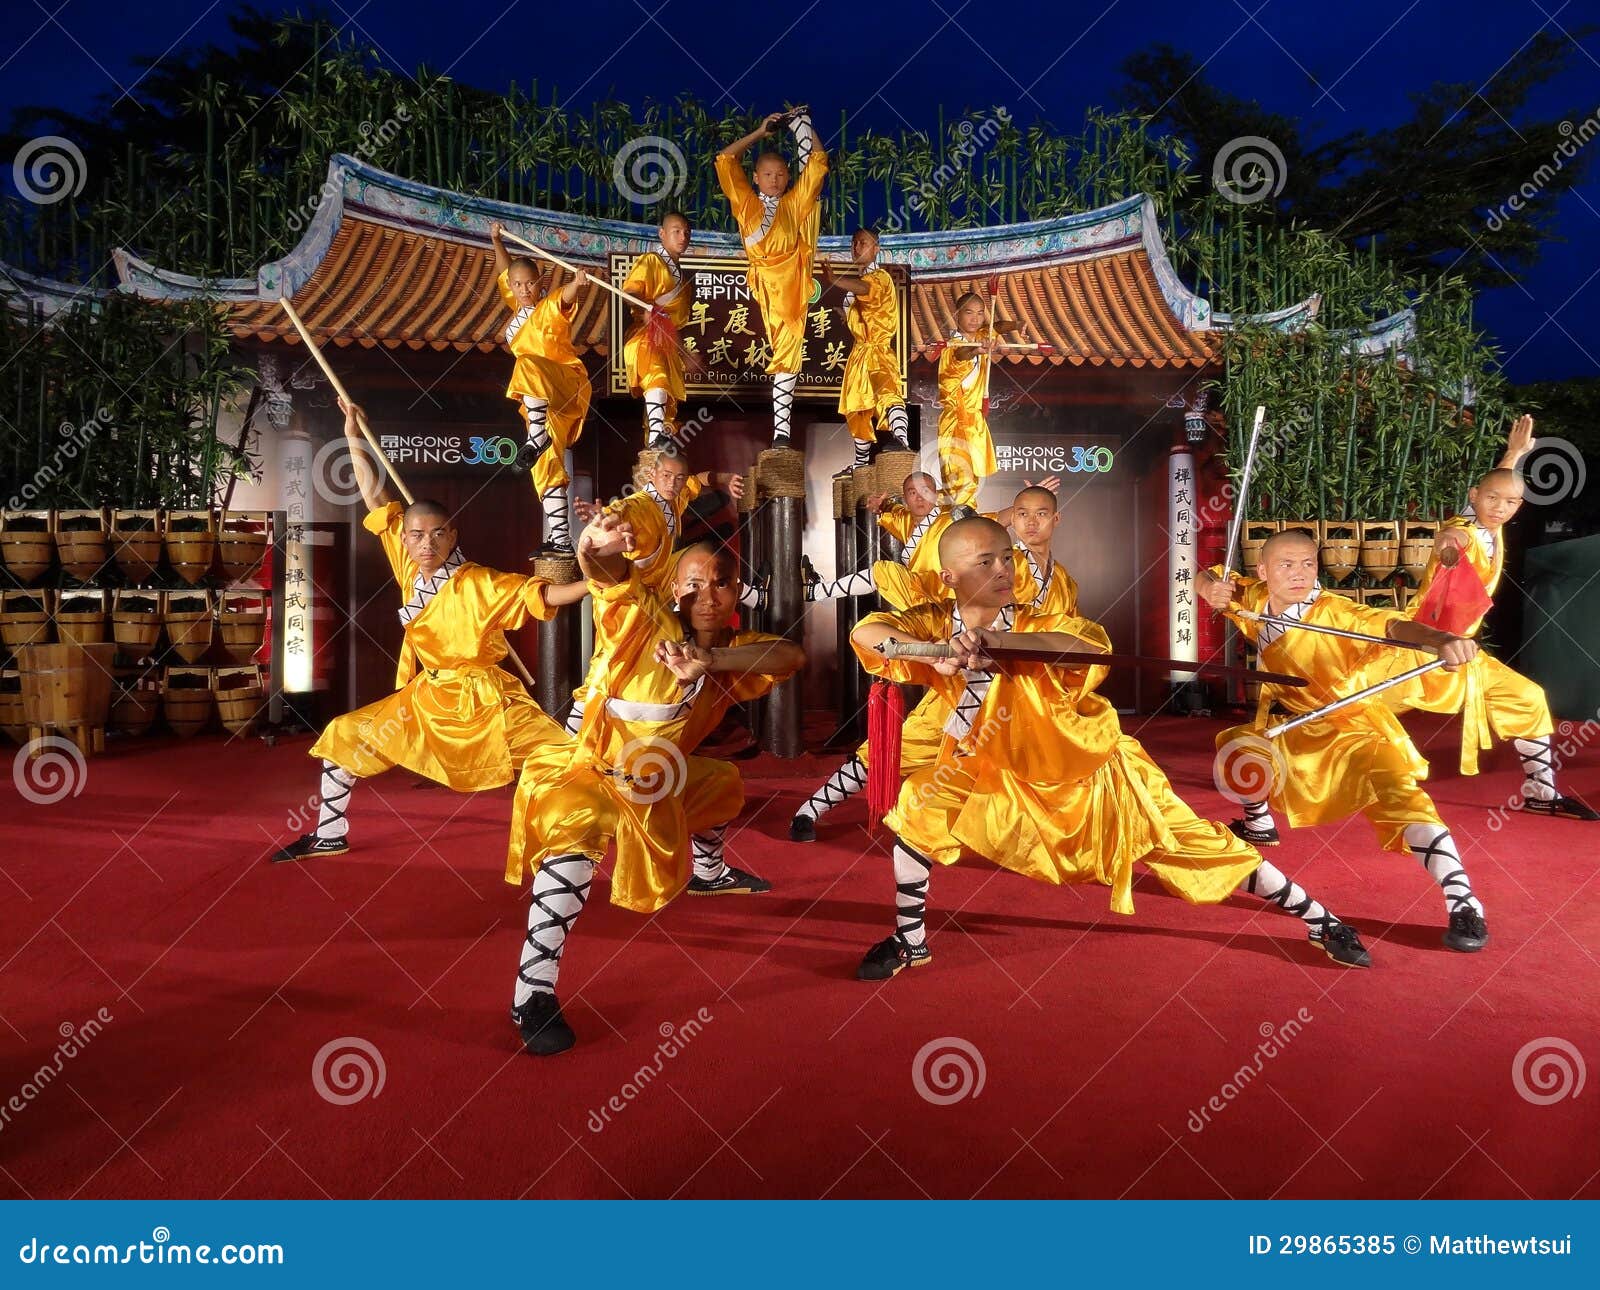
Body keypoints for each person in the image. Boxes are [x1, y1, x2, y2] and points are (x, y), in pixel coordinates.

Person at [845, 515, 1373, 980]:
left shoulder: (1040, 621)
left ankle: (1320, 920)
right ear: (950, 576)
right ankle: (909, 943)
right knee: (916, 813)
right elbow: (870, 632)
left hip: (1090, 772)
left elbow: (1083, 644)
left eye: (1007, 556)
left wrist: (1003, 647)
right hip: (985, 767)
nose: (1005, 568)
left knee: (1192, 845)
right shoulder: (935, 620)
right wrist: (932, 652)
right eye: (986, 560)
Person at [504, 514, 804, 1055]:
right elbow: (608, 577)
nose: (707, 595)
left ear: (737, 590)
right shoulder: (642, 619)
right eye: (692, 583)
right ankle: (533, 989)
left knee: (722, 781)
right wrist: (592, 548)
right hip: (590, 770)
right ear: (671, 588)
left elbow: (789, 655)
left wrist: (711, 661)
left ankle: (708, 873)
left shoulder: (735, 647)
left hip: (657, 782)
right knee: (577, 834)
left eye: (720, 582)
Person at [270, 399, 586, 863]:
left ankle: (598, 824)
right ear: (405, 538)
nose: (426, 543)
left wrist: (597, 583)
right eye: (416, 535)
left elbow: (541, 596)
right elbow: (375, 497)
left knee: (568, 754)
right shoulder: (408, 565)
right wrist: (353, 435)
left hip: (485, 701)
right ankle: (329, 835)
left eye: (437, 534)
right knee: (344, 737)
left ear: (452, 535)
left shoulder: (479, 581)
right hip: (424, 698)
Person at [1198, 528, 1492, 952]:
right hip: (1289, 727)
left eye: (1308, 564)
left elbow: (1393, 627)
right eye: (1286, 565)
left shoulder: (1337, 613)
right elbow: (1201, 574)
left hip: (1349, 727)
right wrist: (1211, 589)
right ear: (1262, 570)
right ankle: (1258, 822)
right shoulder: (1252, 597)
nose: (1299, 574)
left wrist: (1441, 640)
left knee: (1403, 800)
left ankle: (1464, 903)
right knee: (1239, 751)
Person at [789, 481, 1070, 841]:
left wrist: (1015, 644)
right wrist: (937, 652)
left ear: (1056, 519)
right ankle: (810, 809)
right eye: (1023, 514)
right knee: (881, 756)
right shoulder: (963, 556)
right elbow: (869, 632)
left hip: (1021, 698)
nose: (1031, 523)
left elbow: (1073, 637)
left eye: (1041, 514)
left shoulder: (1058, 581)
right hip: (955, 690)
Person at [1377, 416, 1596, 819]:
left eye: (1510, 502)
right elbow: (1451, 537)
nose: (1500, 507)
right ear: (1474, 496)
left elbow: (1501, 482)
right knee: (1356, 705)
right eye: (1492, 499)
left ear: (1520, 506)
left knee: (1528, 698)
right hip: (1419, 646)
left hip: (1462, 655)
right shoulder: (1462, 527)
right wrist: (1445, 547)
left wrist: (1516, 452)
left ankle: (1540, 792)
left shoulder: (1491, 520)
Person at [715, 107, 828, 447]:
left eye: (781, 174)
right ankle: (780, 430)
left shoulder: (793, 205)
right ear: (756, 177)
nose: (775, 179)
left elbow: (819, 163)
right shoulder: (745, 202)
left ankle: (781, 431)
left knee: (787, 350)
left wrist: (804, 126)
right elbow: (724, 159)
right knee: (779, 351)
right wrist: (759, 133)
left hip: (789, 281)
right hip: (761, 279)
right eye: (768, 174)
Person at [490, 221, 592, 552]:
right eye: (518, 285)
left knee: (526, 363)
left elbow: (565, 298)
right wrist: (496, 240)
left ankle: (536, 435)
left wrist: (576, 284)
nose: (522, 289)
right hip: (544, 403)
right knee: (545, 463)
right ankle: (560, 539)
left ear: (539, 283)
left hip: (566, 383)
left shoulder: (548, 307)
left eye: (529, 284)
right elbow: (507, 272)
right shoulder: (517, 306)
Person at [824, 227, 909, 469]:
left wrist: (834, 280)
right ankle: (861, 462)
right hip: (859, 353)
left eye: (863, 243)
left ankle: (901, 440)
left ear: (876, 248)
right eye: (854, 243)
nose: (857, 247)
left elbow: (866, 290)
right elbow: (862, 310)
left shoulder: (879, 277)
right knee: (857, 408)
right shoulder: (858, 281)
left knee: (887, 394)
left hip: (878, 350)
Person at [621, 211, 695, 448]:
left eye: (686, 232)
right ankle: (655, 435)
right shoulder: (651, 261)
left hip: (668, 342)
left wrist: (684, 351)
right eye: (676, 231)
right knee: (657, 376)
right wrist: (644, 305)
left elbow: (677, 323)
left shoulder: (683, 277)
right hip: (645, 336)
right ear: (662, 234)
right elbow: (629, 293)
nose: (682, 236)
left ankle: (658, 443)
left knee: (668, 401)